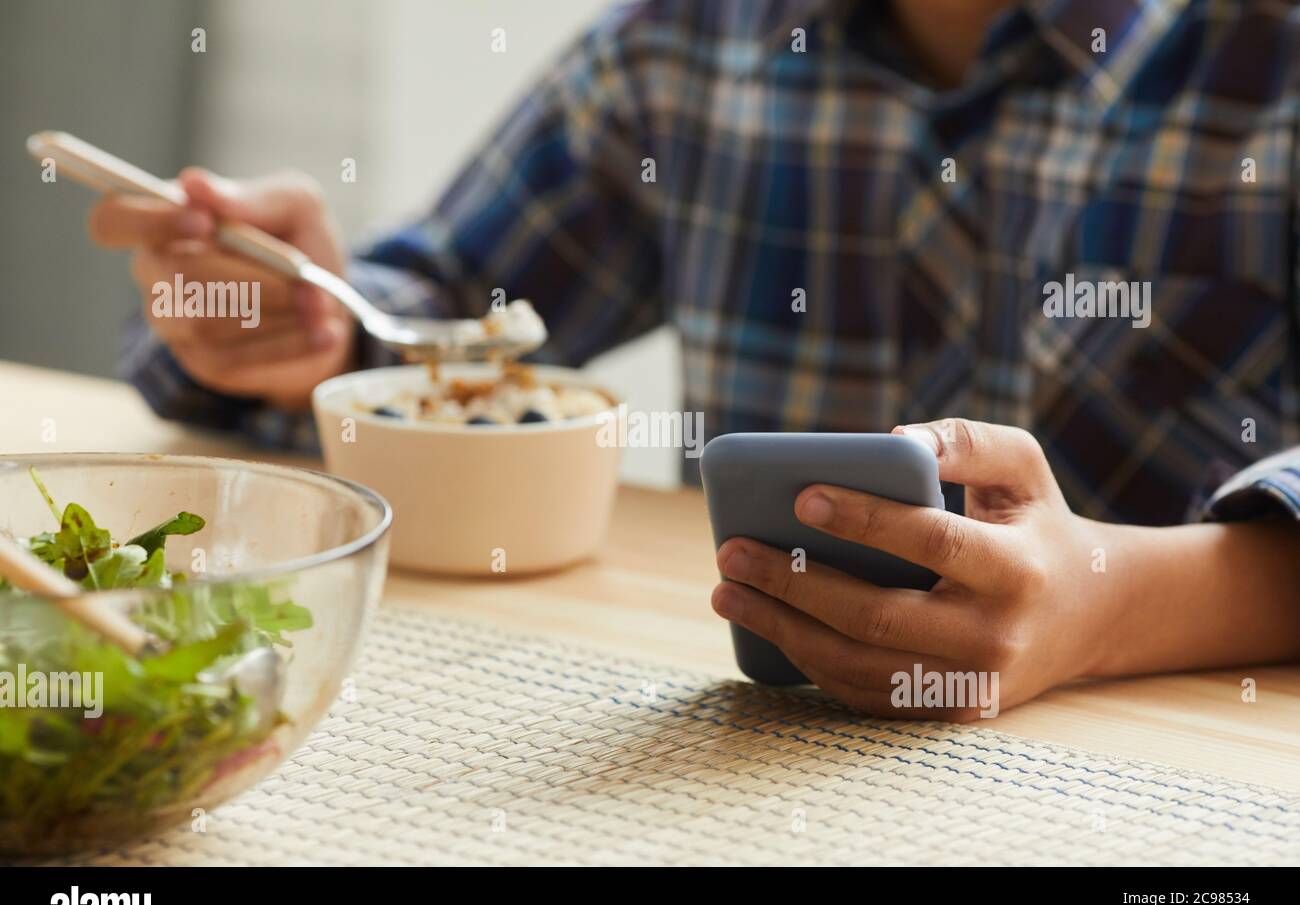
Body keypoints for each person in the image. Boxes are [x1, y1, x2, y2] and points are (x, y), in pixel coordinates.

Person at [90, 0, 1299, 720]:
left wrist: (1106, 600)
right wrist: (305, 333)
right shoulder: (687, 45)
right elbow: (441, 321)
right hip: (747, 748)